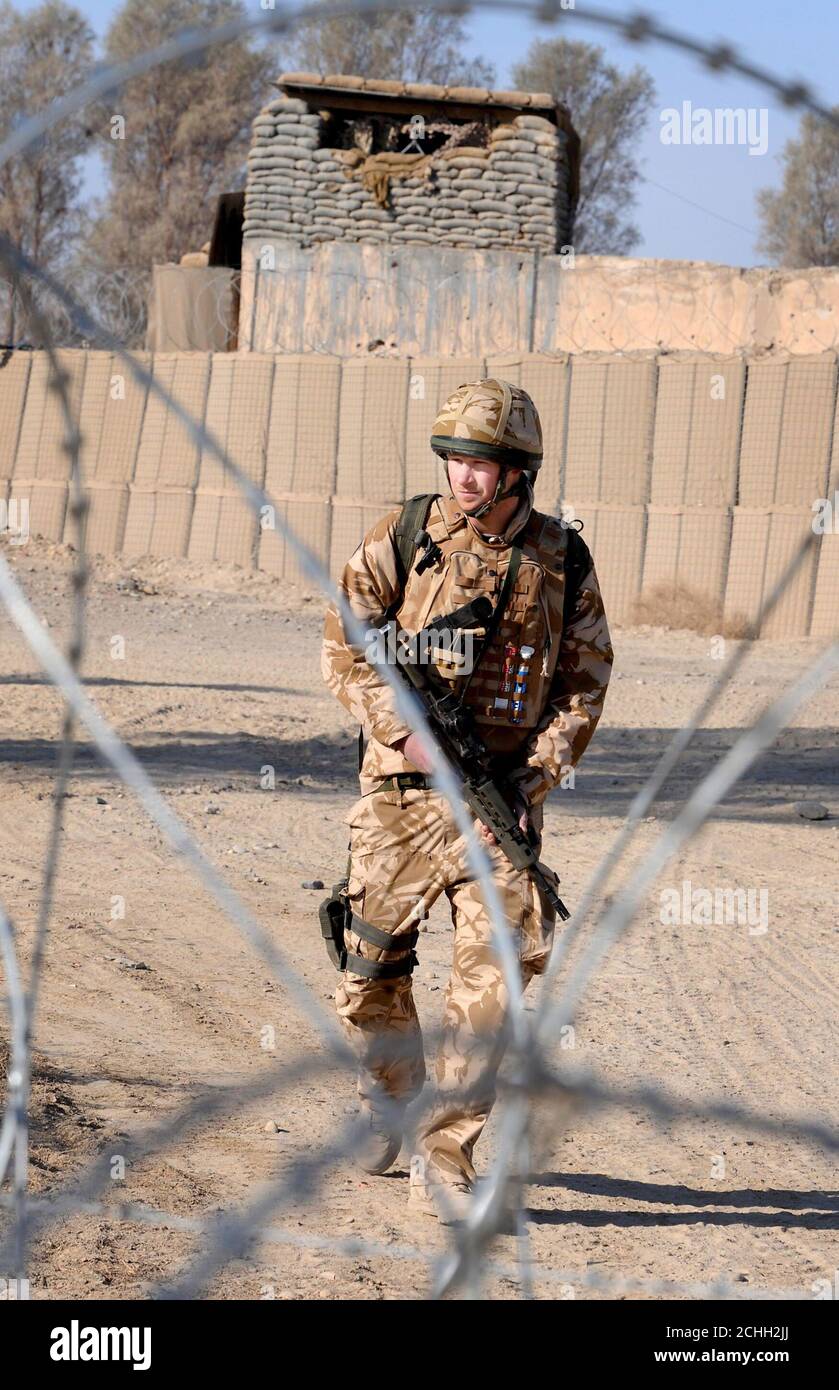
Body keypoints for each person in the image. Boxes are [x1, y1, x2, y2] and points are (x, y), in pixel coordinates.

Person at [321, 377, 613, 1221]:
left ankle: (445, 1150)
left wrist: (532, 780)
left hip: (497, 807)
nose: (463, 477)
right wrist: (399, 729)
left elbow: (583, 686)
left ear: (517, 471)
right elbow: (344, 643)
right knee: (367, 978)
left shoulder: (563, 560)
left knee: (496, 984)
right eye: (453, 460)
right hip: (397, 803)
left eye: (480, 464)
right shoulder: (405, 535)